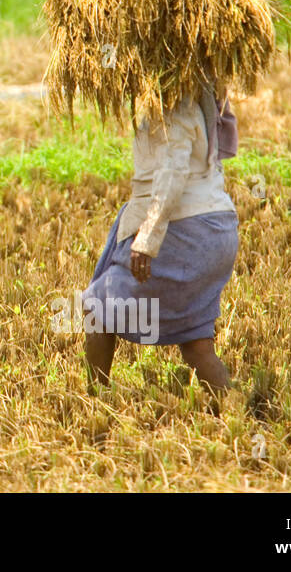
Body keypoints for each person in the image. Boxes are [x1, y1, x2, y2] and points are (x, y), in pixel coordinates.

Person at [82, 87, 240, 395]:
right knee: (196, 344)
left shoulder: (175, 101)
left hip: (185, 230)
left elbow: (173, 171)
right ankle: (237, 412)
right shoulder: (202, 96)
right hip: (217, 229)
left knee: (96, 308)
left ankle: (94, 401)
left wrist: (148, 237)